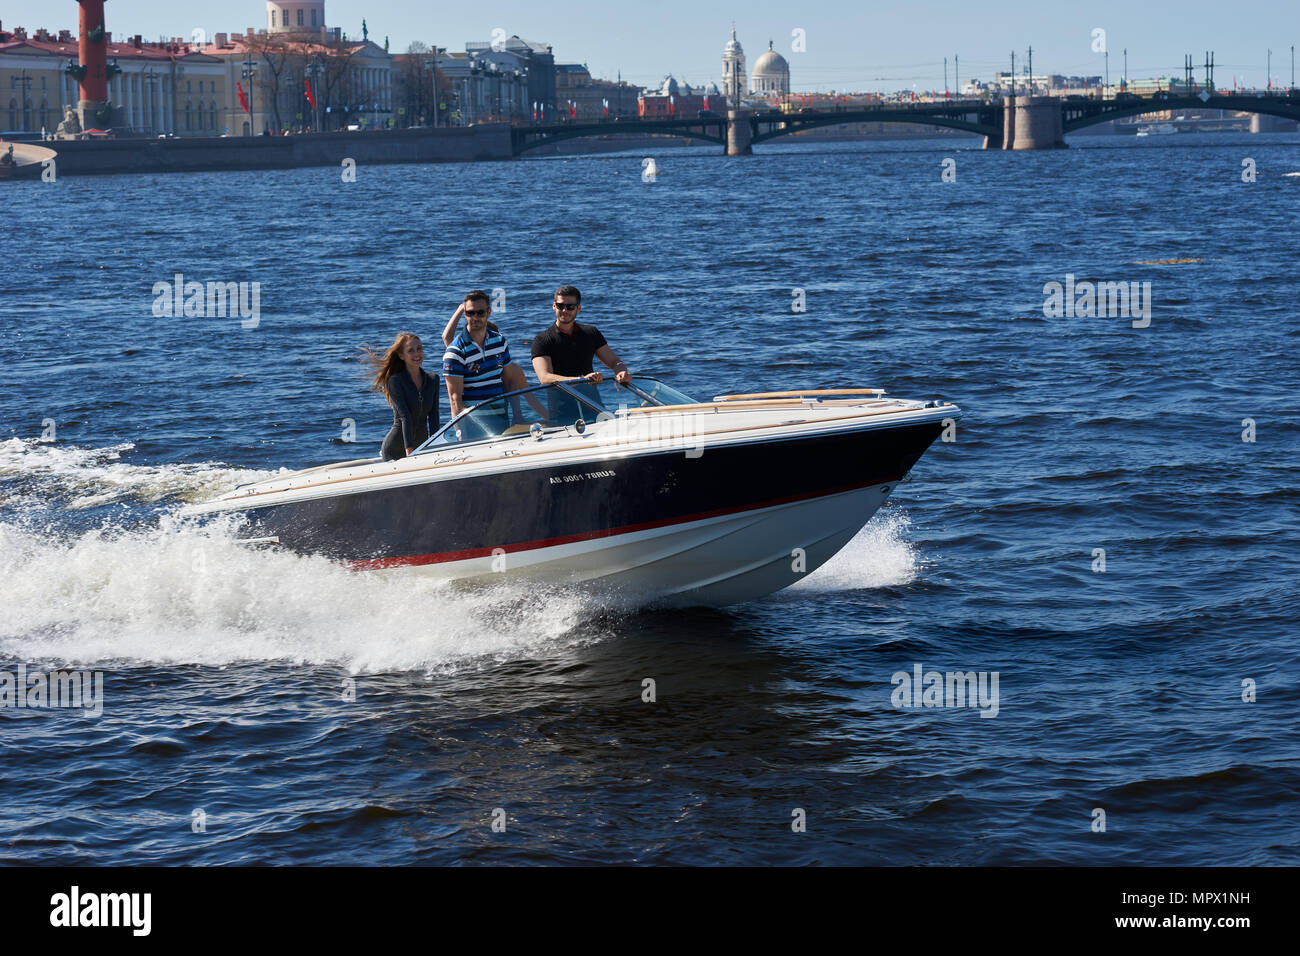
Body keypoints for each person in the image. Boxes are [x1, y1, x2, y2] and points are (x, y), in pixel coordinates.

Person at [531, 285, 633, 422]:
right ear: (554, 306)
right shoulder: (542, 340)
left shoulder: (591, 333)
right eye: (560, 306)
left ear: (578, 308)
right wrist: (582, 380)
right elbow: (544, 378)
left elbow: (615, 362)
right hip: (563, 415)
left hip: (595, 408)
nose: (564, 310)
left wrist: (622, 371)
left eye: (570, 307)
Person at [442, 290, 538, 420]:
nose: (475, 317)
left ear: (489, 312)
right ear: (465, 314)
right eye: (470, 313)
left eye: (480, 313)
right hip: (473, 424)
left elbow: (509, 383)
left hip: (501, 418)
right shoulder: (456, 351)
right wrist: (462, 434)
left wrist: (517, 415)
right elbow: (455, 401)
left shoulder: (499, 341)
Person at [362, 331, 441, 461]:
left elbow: (434, 417)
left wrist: (435, 446)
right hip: (396, 449)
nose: (417, 354)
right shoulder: (395, 381)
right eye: (410, 351)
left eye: (419, 349)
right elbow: (405, 418)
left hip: (423, 446)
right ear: (401, 355)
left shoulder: (433, 379)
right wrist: (409, 450)